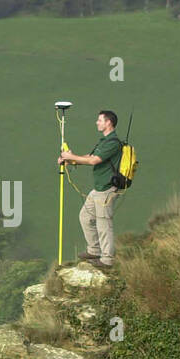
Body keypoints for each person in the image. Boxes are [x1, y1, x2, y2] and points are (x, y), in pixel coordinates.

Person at [58, 110, 123, 272]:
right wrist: (71, 159)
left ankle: (107, 259)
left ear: (108, 123)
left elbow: (94, 160)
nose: (97, 122)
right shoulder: (104, 140)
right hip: (99, 188)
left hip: (107, 189)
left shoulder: (113, 142)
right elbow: (90, 155)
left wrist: (70, 157)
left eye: (100, 120)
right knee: (85, 216)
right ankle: (94, 251)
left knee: (103, 222)